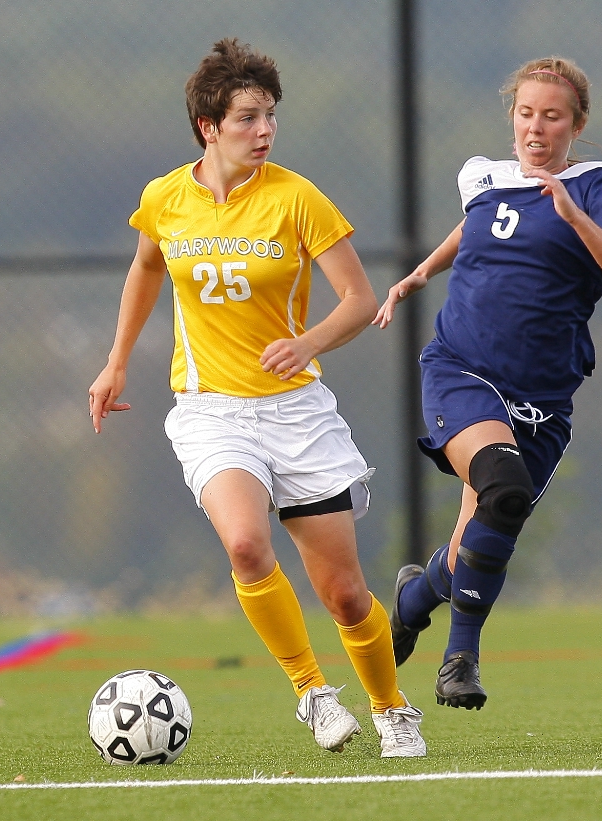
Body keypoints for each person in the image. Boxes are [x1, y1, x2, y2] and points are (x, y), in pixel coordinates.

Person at [88, 38, 425, 757]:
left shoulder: (297, 198)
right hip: (212, 410)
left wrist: (308, 344)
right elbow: (147, 267)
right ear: (208, 127)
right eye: (247, 117)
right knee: (245, 543)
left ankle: (392, 704)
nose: (264, 130)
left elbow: (360, 301)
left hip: (297, 413)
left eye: (270, 115)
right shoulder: (165, 198)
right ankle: (312, 691)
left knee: (344, 594)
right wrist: (115, 361)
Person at [375, 56, 602, 710]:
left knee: (488, 525)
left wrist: (575, 216)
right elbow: (476, 225)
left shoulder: (601, 186)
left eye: (551, 116)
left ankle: (414, 598)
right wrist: (419, 273)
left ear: (576, 124)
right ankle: (459, 659)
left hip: (543, 397)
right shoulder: (484, 176)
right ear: (512, 117)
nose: (535, 127)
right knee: (502, 485)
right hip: (463, 367)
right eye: (526, 113)